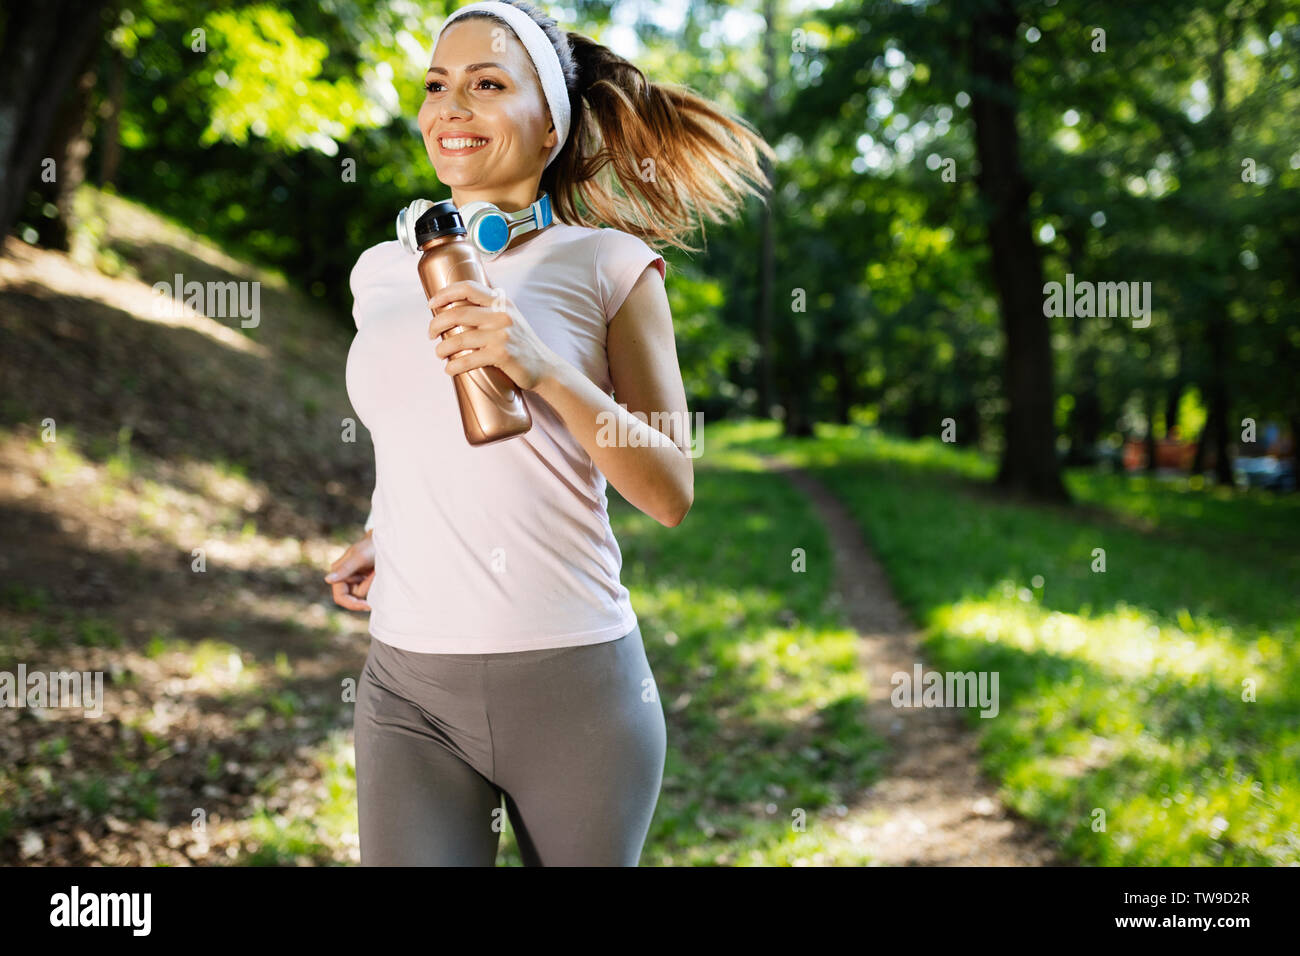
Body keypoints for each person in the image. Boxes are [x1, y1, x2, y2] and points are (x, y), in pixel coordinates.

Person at [324, 0, 775, 866]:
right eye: (436, 85)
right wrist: (387, 530)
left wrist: (547, 372)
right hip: (407, 685)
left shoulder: (608, 265)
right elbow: (413, 431)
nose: (451, 107)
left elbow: (670, 490)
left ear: (550, 131)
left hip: (576, 685)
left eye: (487, 83)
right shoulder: (382, 272)